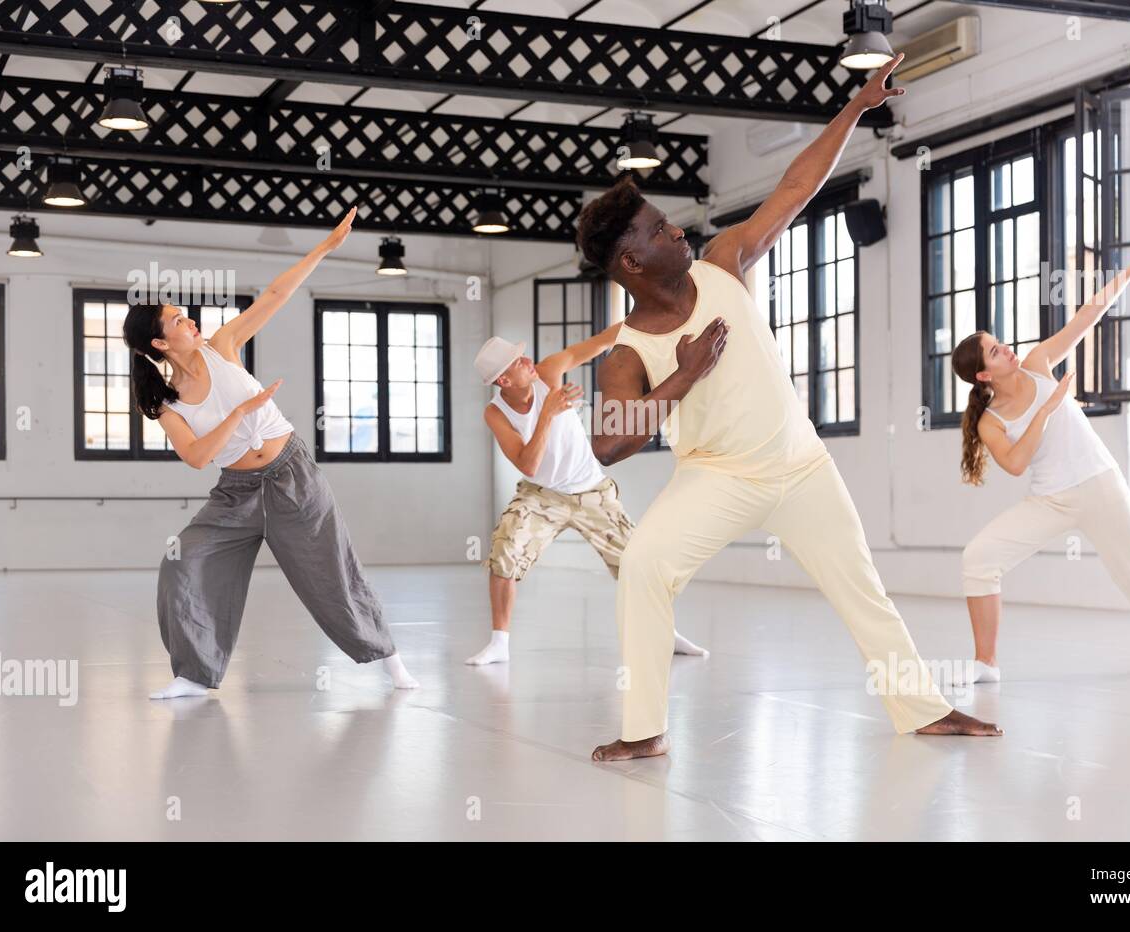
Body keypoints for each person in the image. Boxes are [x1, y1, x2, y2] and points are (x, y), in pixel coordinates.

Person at [579, 53, 1000, 762]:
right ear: (630, 263)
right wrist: (680, 380)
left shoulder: (723, 263)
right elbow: (607, 446)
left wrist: (856, 109)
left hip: (801, 464)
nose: (676, 232)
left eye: (668, 224)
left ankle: (923, 710)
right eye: (658, 231)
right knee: (647, 565)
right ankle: (645, 728)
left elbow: (797, 185)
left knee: (862, 588)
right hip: (718, 477)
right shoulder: (627, 351)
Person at [124, 207, 419, 699]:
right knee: (182, 562)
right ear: (160, 341)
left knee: (333, 572)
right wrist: (240, 414)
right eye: (178, 318)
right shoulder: (165, 403)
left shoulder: (222, 345)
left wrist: (324, 247)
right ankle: (193, 674)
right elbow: (198, 457)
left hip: (292, 476)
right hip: (235, 495)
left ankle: (388, 658)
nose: (189, 318)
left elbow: (277, 295)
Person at [951, 240, 1130, 684]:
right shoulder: (990, 422)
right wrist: (1048, 407)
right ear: (983, 375)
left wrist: (1128, 274)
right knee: (978, 558)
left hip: (1100, 484)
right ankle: (986, 663)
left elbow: (1085, 317)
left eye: (1000, 343)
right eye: (995, 352)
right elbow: (1016, 465)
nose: (1007, 350)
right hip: (1050, 500)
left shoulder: (1038, 363)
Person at [470, 331, 707, 665]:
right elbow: (528, 463)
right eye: (518, 361)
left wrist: (637, 321)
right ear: (505, 379)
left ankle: (666, 634)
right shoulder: (495, 413)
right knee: (503, 553)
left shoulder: (548, 372)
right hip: (542, 497)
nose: (528, 360)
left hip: (592, 490)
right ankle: (499, 644)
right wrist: (547, 413)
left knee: (638, 562)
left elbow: (596, 344)